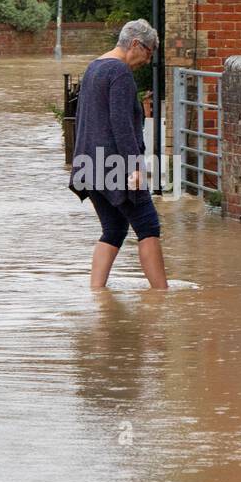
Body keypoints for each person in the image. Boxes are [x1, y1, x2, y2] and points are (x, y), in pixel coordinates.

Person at [68, 20, 168, 289]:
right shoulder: (120, 72)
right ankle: (162, 297)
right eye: (148, 52)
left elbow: (84, 120)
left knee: (114, 229)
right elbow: (121, 124)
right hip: (115, 167)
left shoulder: (94, 68)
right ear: (135, 44)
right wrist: (135, 169)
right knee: (148, 226)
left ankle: (97, 295)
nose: (148, 61)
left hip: (89, 166)